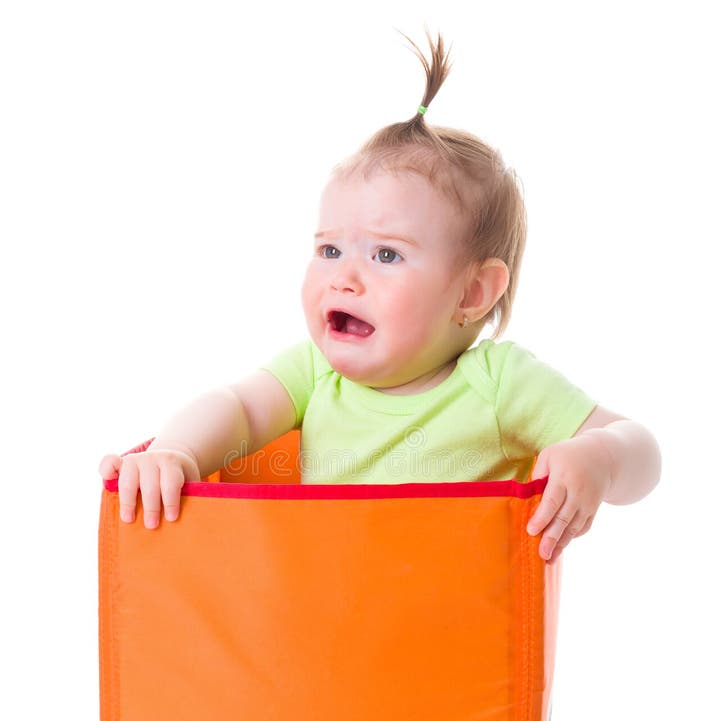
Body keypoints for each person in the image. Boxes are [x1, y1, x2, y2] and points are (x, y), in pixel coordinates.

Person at [98, 29, 661, 565]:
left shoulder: (498, 383)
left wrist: (602, 459)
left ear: (473, 292)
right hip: (334, 633)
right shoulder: (317, 371)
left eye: (386, 255)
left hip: (455, 643)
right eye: (329, 250)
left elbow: (641, 449)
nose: (344, 279)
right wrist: (176, 450)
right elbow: (238, 407)